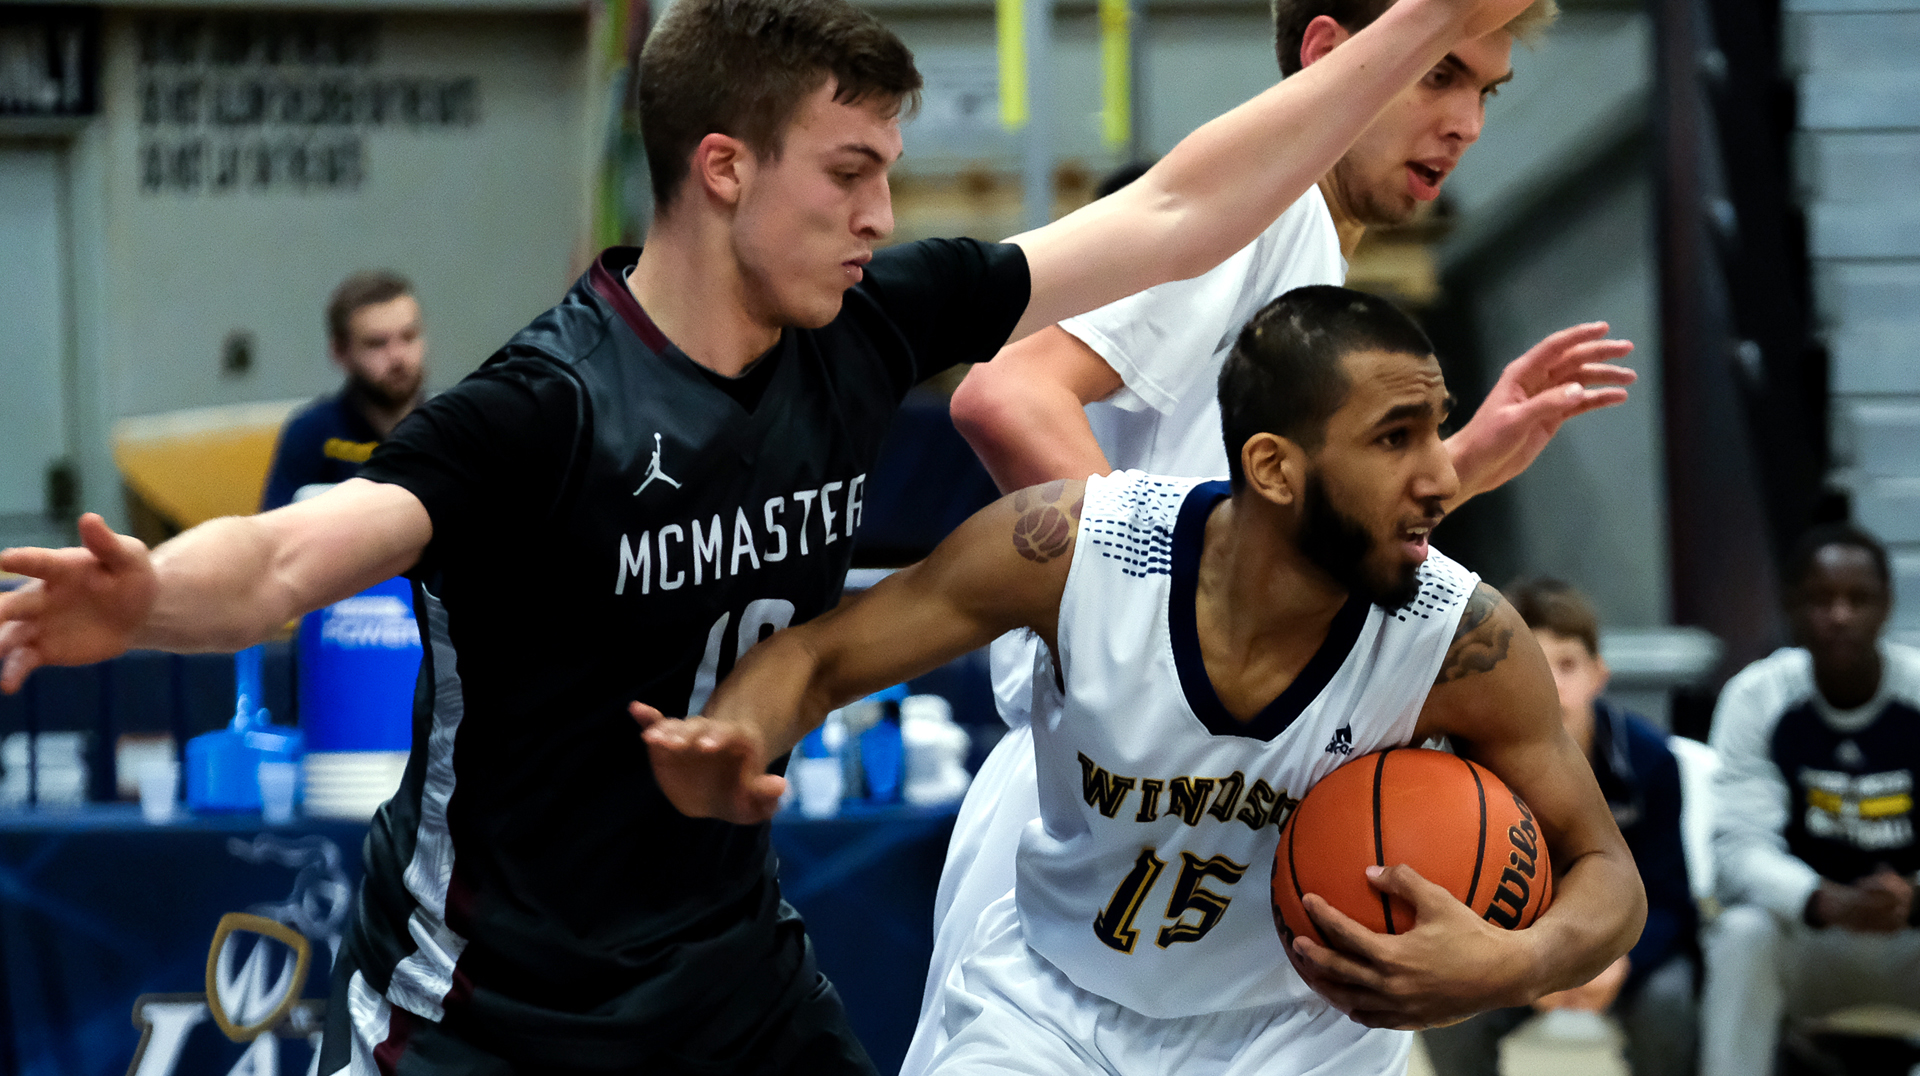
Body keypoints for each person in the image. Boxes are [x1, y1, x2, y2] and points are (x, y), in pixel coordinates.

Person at [0, 0, 1540, 1068]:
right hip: (498, 1001)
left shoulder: (865, 330)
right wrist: (144, 601)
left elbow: (1176, 214)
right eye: (849, 174)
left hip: (730, 973)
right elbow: (290, 557)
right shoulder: (546, 409)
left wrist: (1420, 25)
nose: (879, 215)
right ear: (724, 169)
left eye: (888, 176)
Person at [638, 285, 1646, 1076]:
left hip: (1298, 1036)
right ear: (1273, 468)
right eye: (1395, 439)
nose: (1442, 475)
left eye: (1437, 429)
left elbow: (1607, 872)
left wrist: (1510, 961)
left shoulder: (1459, 637)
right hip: (1056, 1008)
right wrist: (734, 731)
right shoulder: (1075, 548)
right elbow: (816, 656)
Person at [910, 0, 1637, 1065]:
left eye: (1486, 90)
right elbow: (1006, 396)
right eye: (1440, 74)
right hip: (1099, 806)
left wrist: (1462, 465)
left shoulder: (1304, 254)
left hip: (1208, 807)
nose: (1468, 122)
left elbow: (1258, 529)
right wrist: (1151, 639)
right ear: (1333, 54)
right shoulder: (1264, 216)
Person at [1421, 577, 1697, 1076]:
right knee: (1447, 1001)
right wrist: (1529, 962)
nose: (1549, 683)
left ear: (1599, 674)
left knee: (1669, 999)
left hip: (1620, 951)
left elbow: (1671, 901)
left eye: (1567, 664)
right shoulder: (1464, 761)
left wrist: (1620, 962)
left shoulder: (1650, 760)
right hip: (1510, 947)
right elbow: (1460, 894)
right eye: (1530, 664)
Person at [1700, 523, 1920, 1076]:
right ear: (1793, 607)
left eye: (1858, 599)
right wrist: (1819, 898)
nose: (1840, 616)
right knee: (1740, 933)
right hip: (1806, 936)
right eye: (1822, 600)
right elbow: (1739, 849)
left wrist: (1913, 898)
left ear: (1886, 607)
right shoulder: (1757, 697)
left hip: (1910, 937)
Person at [259, 271, 428, 511]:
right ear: (340, 351)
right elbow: (275, 529)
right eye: (377, 343)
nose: (397, 357)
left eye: (409, 337)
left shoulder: (452, 426)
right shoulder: (310, 433)